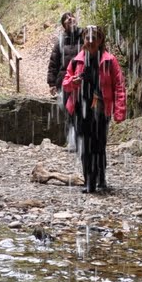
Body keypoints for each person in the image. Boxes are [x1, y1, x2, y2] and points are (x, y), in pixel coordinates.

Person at [61, 24, 127, 194]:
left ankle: (101, 178)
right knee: (84, 146)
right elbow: (65, 84)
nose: (90, 41)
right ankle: (89, 181)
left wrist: (119, 110)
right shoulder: (77, 60)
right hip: (80, 109)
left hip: (101, 109)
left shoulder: (109, 60)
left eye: (94, 38)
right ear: (83, 40)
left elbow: (119, 85)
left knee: (99, 144)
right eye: (87, 38)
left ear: (100, 40)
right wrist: (73, 82)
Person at [46, 11, 84, 149]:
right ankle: (72, 142)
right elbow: (53, 62)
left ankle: (84, 140)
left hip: (83, 81)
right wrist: (51, 83)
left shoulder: (85, 36)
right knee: (69, 112)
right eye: (66, 19)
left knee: (84, 110)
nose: (70, 19)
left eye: (71, 17)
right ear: (64, 25)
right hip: (65, 82)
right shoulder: (60, 42)